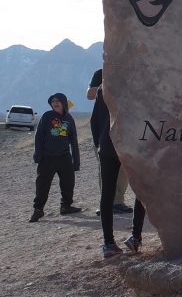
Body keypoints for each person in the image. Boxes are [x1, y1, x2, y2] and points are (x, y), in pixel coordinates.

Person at [89, 74, 145, 259]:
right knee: (140, 191)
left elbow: (94, 121)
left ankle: (108, 243)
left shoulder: (103, 89)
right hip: (132, 145)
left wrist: (99, 144)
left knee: (107, 194)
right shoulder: (137, 85)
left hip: (108, 146)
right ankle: (135, 237)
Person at [30, 93, 82, 221]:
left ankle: (66, 206)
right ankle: (38, 209)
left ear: (64, 102)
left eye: (58, 101)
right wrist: (38, 154)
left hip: (64, 157)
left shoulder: (69, 119)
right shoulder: (47, 116)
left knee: (68, 183)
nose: (55, 103)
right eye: (53, 101)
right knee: (42, 184)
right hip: (47, 157)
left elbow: (73, 140)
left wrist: (76, 160)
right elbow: (38, 136)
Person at [87, 69, 130, 214]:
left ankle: (118, 202)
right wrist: (107, 85)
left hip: (124, 128)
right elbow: (89, 95)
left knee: (123, 168)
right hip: (104, 127)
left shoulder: (129, 71)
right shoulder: (100, 73)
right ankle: (106, 202)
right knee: (104, 167)